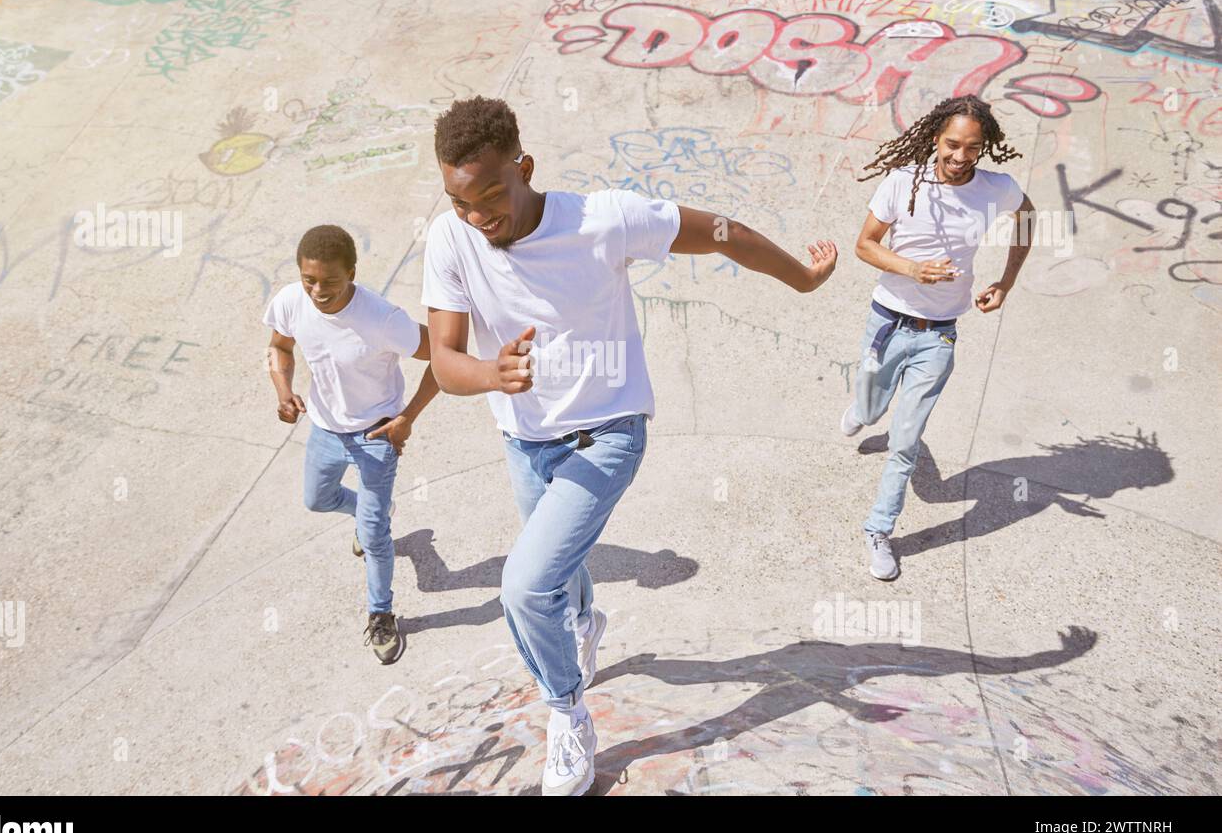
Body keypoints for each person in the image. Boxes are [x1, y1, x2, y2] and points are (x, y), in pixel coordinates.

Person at [420, 96, 837, 795]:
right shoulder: (450, 238)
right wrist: (493, 373)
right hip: (525, 440)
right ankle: (585, 622)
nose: (477, 215)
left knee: (524, 587)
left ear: (524, 168)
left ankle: (566, 713)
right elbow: (442, 359)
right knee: (559, 571)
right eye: (461, 201)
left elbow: (721, 232)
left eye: (491, 194)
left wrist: (801, 275)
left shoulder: (601, 220)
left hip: (608, 432)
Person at [843, 95, 1035, 581]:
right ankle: (867, 411)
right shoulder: (904, 183)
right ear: (935, 139)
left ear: (983, 147)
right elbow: (864, 245)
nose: (960, 156)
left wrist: (1005, 283)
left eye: (972, 148)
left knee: (906, 440)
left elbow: (1028, 219)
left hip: (941, 335)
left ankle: (879, 530)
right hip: (887, 320)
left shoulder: (995, 188)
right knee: (867, 409)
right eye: (952, 144)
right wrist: (912, 269)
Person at [264, 224, 439, 664]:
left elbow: (445, 353)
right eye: (309, 281)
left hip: (377, 433)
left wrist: (407, 417)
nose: (318, 291)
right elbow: (279, 347)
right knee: (316, 499)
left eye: (330, 281)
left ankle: (381, 614)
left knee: (376, 535)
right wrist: (282, 391)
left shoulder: (382, 319)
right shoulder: (291, 300)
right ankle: (367, 511)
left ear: (353, 274)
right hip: (325, 428)